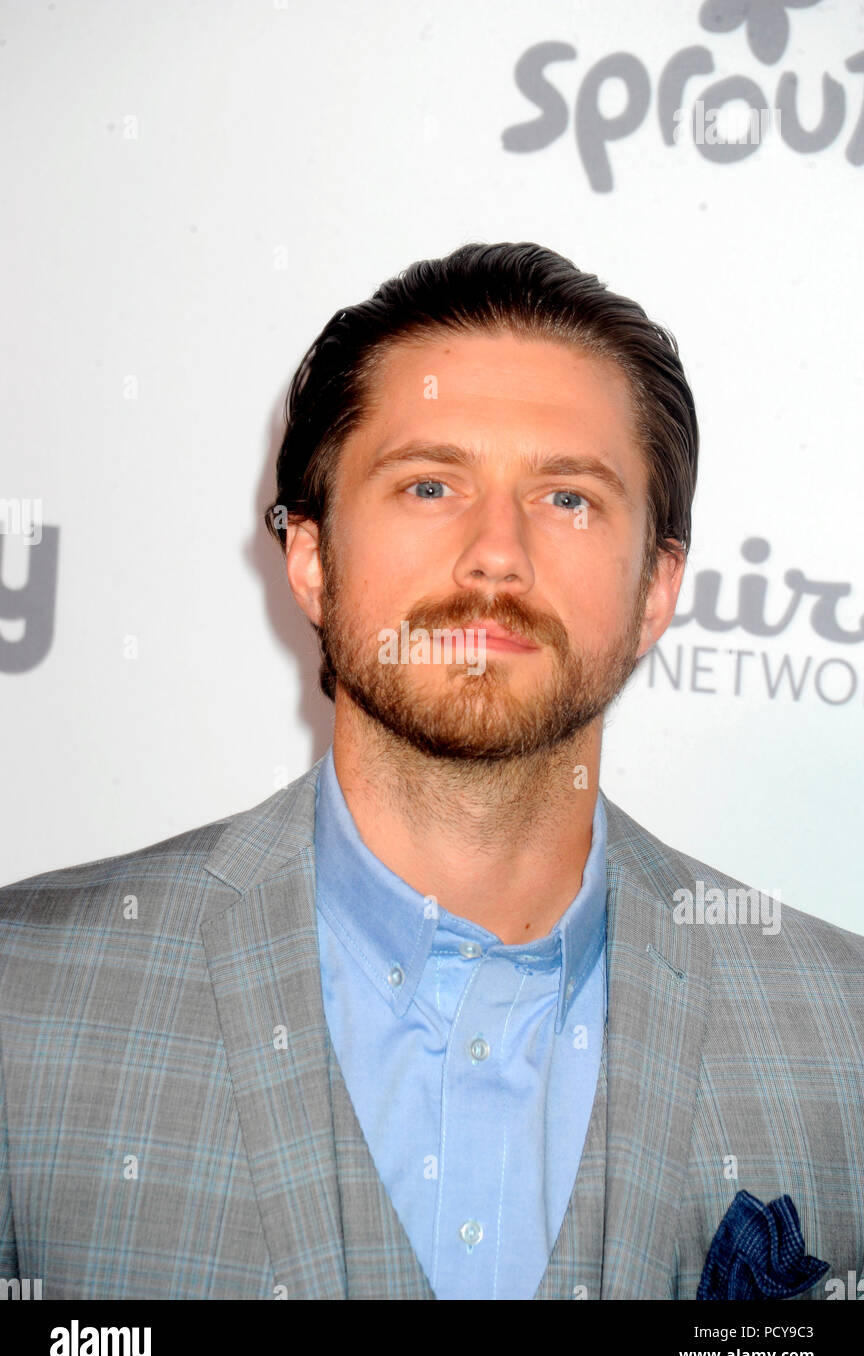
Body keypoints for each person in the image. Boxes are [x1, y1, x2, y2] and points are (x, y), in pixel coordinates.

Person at [1, 242, 862, 1301]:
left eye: (568, 499)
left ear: (656, 590)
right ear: (311, 557)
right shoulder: (22, 1003)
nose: (495, 552)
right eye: (429, 484)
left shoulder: (846, 1034)